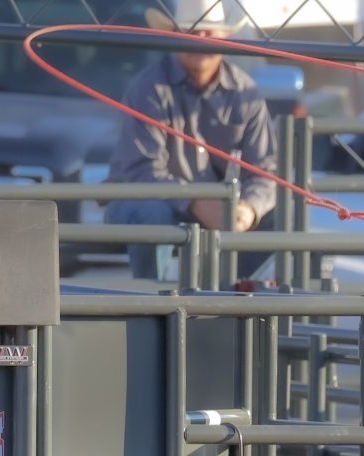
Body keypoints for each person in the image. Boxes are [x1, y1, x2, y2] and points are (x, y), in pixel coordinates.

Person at [104, 0, 277, 282]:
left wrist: (248, 210)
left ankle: (231, 297)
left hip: (219, 207)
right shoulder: (148, 88)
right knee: (152, 212)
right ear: (173, 34)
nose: (200, 39)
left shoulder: (247, 93)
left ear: (225, 37)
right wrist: (195, 202)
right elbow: (142, 174)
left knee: (279, 212)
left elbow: (264, 170)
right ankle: (151, 305)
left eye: (209, 32)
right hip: (142, 201)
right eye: (191, 31)